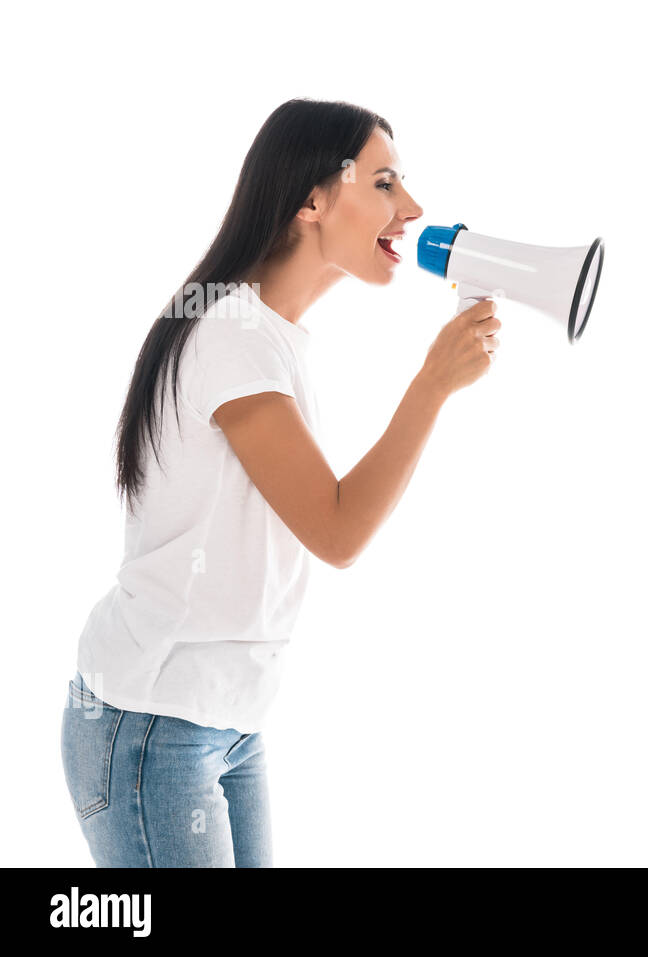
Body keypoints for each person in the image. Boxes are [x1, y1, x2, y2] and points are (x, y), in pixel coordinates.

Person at [60, 98, 500, 866]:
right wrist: (431, 384)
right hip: (153, 723)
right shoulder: (233, 337)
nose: (416, 209)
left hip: (225, 723)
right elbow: (336, 532)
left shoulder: (270, 339)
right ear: (311, 200)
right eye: (387, 183)